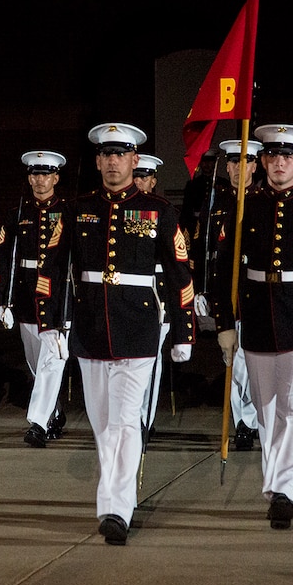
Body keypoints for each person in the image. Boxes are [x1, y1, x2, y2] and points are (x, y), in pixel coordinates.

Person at [39, 122, 196, 546]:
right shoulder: (75, 209)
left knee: (127, 423)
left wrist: (184, 331)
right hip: (90, 330)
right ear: (97, 161)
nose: (113, 161)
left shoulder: (159, 210)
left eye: (121, 154)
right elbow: (50, 268)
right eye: (106, 154)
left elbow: (182, 273)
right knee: (103, 424)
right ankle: (114, 498)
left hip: (139, 329)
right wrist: (50, 320)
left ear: (134, 160)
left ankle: (115, 507)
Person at [211, 124, 293, 530]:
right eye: (271, 155)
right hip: (255, 316)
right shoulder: (243, 207)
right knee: (267, 409)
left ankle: (285, 489)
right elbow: (224, 270)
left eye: (287, 156)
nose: (279, 162)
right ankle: (276, 487)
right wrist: (224, 323)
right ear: (263, 161)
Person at [0, 150, 71, 448]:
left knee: (52, 362)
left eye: (46, 174)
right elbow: (2, 257)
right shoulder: (17, 213)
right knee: (37, 364)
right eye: (35, 174)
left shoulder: (68, 211)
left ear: (56, 177)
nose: (40, 180)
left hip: (58, 297)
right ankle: (55, 414)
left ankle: (37, 422)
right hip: (26, 297)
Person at [195, 138, 263, 451]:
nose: (239, 168)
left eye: (245, 161)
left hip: (257, 293)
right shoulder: (215, 203)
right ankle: (243, 423)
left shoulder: (264, 201)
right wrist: (200, 288)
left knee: (254, 363)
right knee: (232, 362)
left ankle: (252, 420)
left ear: (256, 165)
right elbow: (202, 249)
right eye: (234, 162)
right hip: (225, 293)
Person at [131, 153, 171, 439]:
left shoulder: (162, 211)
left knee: (152, 361)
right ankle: (132, 417)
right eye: (136, 176)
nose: (139, 182)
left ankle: (145, 418)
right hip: (129, 294)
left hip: (157, 292)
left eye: (144, 177)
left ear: (153, 181)